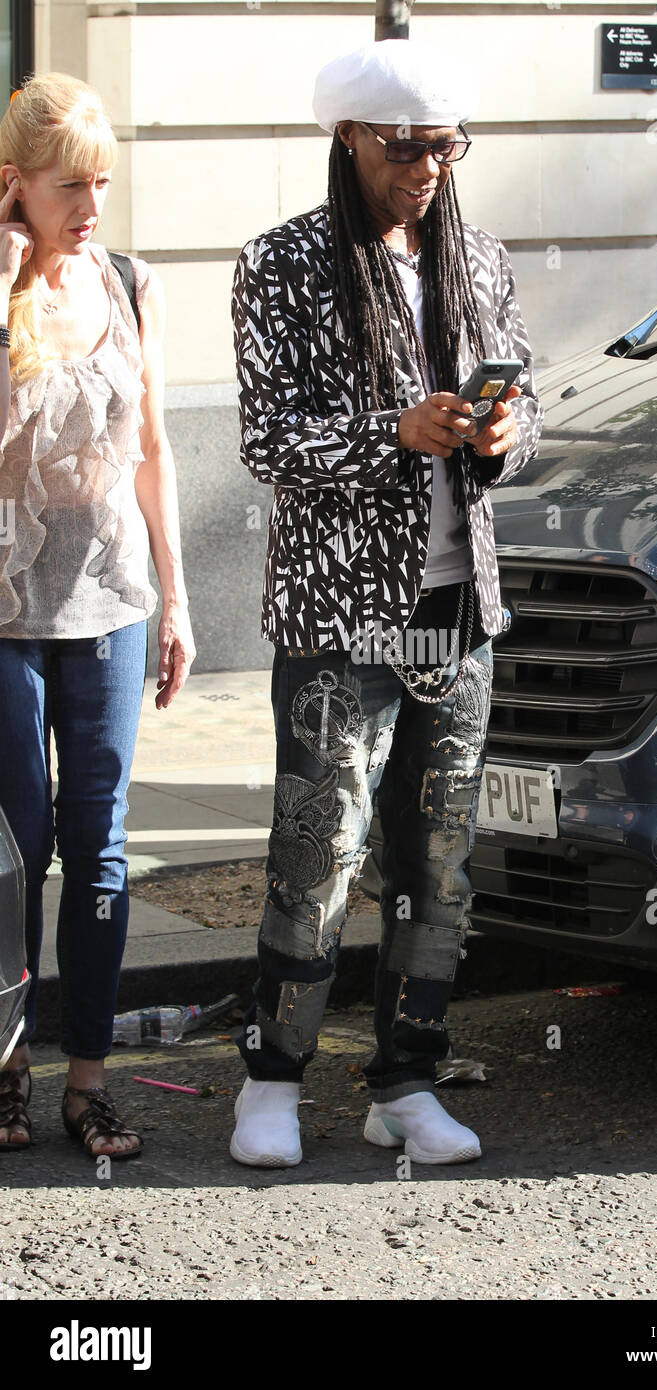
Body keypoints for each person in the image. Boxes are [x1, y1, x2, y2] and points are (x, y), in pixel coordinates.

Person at [231, 39, 542, 1167]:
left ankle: (405, 1079)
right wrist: (392, 431)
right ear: (350, 139)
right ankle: (270, 1076)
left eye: (445, 148)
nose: (427, 170)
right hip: (337, 612)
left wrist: (507, 430)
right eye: (406, 148)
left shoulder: (480, 257)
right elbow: (268, 439)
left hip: (458, 607)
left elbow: (527, 395)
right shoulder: (284, 261)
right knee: (319, 848)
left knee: (437, 861)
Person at [0, 74, 195, 1158]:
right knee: (17, 846)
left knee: (102, 845)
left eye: (102, 183)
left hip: (112, 595)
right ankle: (6, 1067)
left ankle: (87, 1080)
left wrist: (174, 598)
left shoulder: (129, 282)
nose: (89, 206)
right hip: (7, 603)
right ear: (13, 187)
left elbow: (155, 446)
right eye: (69, 185)